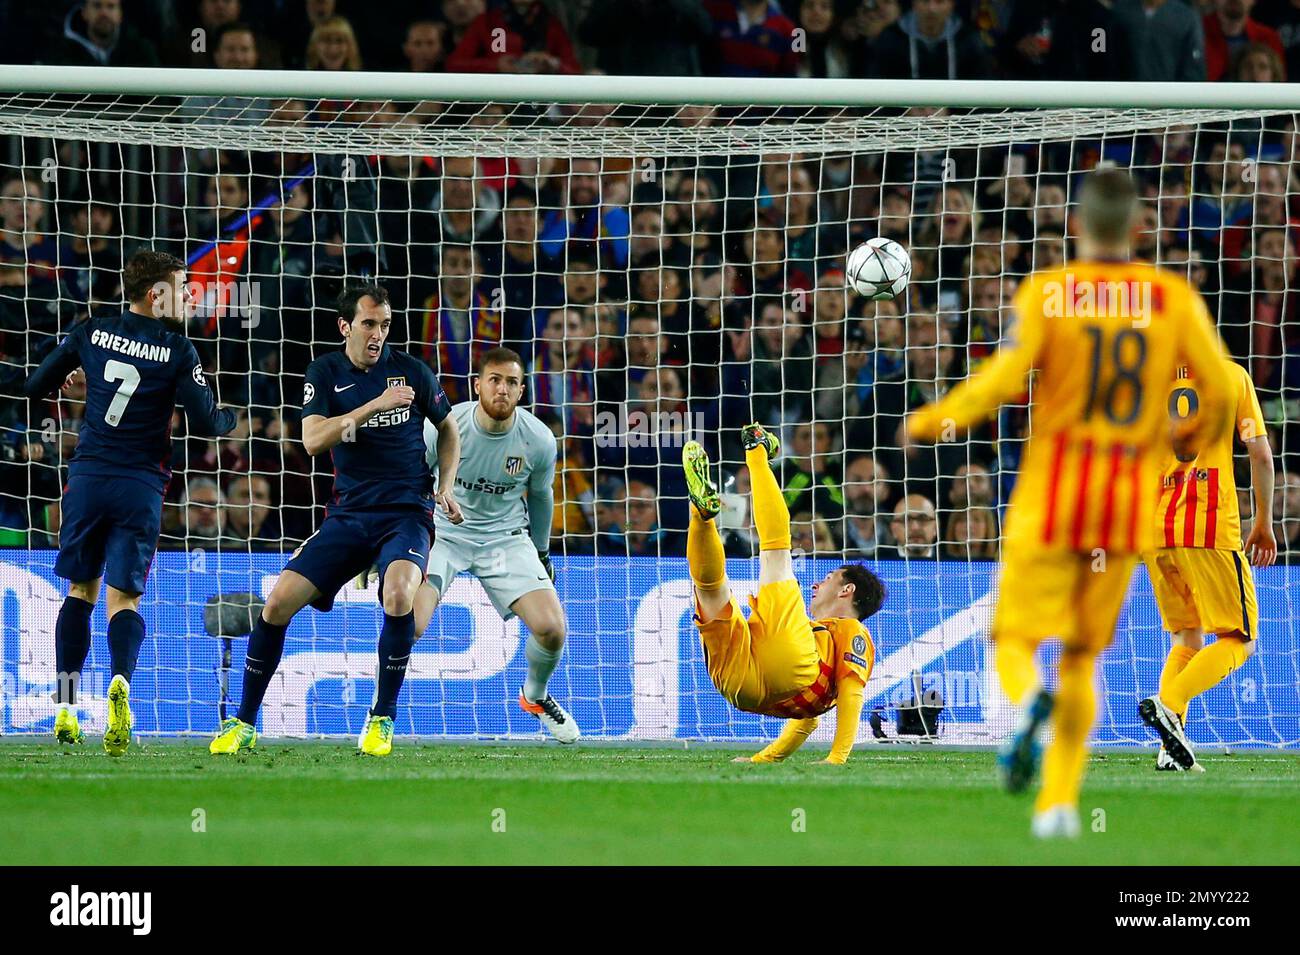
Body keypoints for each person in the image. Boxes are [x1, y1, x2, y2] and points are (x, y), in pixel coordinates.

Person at [904, 168, 1233, 838]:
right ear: (1141, 229)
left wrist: (929, 419)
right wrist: (1188, 439)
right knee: (1082, 657)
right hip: (1124, 506)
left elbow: (1000, 379)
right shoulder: (1172, 299)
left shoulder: (1049, 293)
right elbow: (1222, 390)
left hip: (1052, 494)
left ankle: (1029, 706)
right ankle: (1057, 805)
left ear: (1075, 227)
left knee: (1015, 639)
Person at [210, 284, 462, 757]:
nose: (378, 334)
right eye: (369, 324)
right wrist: (373, 407)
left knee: (400, 594)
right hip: (348, 514)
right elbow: (312, 441)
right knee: (278, 604)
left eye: (385, 325)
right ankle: (243, 723)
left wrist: (445, 483)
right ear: (345, 326)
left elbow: (448, 426)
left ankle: (381, 719)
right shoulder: (325, 372)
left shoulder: (412, 370)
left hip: (405, 512)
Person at [23, 250, 237, 754]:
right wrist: (229, 420)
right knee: (125, 600)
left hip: (89, 478)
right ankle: (121, 684)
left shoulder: (90, 332)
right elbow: (206, 423)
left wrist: (79, 373)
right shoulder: (179, 348)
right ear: (153, 294)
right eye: (181, 287)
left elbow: (34, 386)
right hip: (140, 486)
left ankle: (67, 706)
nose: (189, 295)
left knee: (81, 591)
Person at [402, 347, 578, 742]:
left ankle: (535, 695)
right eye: (495, 380)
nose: (502, 389)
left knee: (552, 628)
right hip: (444, 532)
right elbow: (412, 477)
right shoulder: (448, 425)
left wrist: (542, 550)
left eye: (511, 383)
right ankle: (382, 710)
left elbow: (541, 497)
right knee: (409, 624)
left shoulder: (538, 440)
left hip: (504, 536)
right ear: (477, 385)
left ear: (521, 391)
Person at [680, 424, 884, 764]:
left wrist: (838, 757)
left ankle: (756, 451)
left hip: (775, 671)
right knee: (711, 591)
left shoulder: (851, 630)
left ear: (847, 591)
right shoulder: (818, 639)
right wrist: (763, 760)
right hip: (744, 692)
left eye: (830, 578)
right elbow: (806, 723)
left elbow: (852, 693)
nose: (817, 584)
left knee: (774, 553)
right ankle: (703, 515)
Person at [1140, 360, 1276, 771]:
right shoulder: (1231, 376)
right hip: (1209, 525)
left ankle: (1169, 749)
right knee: (1241, 640)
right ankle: (1171, 704)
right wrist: (1264, 523)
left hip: (1156, 531)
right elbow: (1261, 455)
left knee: (1188, 638)